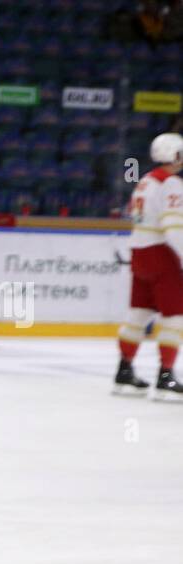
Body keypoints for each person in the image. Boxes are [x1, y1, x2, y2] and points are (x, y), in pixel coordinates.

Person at [116, 132, 183, 398]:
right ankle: (165, 375)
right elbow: (173, 227)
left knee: (138, 314)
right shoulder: (172, 184)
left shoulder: (144, 181)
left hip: (139, 251)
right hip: (161, 253)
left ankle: (124, 369)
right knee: (175, 317)